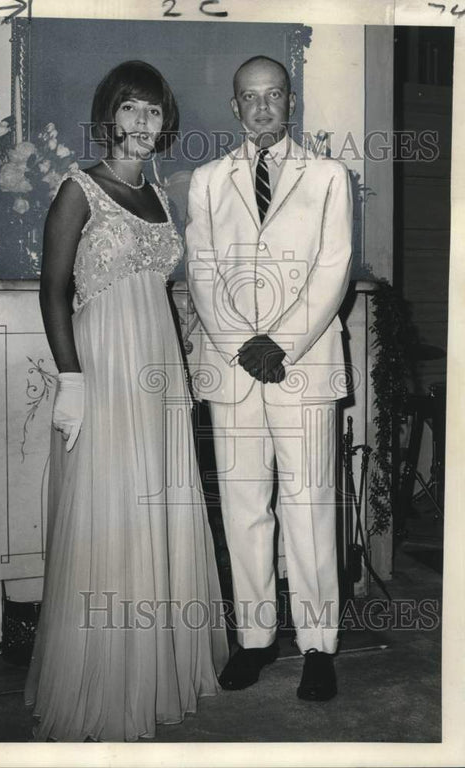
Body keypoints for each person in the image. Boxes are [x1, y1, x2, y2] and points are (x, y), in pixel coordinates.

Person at [24, 60, 228, 742]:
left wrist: (193, 359)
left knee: (162, 510)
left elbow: (168, 293)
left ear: (164, 123)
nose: (144, 123)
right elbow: (52, 290)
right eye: (132, 109)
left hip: (158, 373)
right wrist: (72, 381)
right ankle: (104, 682)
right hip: (104, 369)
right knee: (110, 512)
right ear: (109, 116)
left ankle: (156, 663)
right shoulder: (78, 190)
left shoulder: (164, 197)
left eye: (154, 111)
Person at [185, 55, 353, 701]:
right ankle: (255, 640)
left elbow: (332, 268)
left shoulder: (329, 176)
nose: (261, 108)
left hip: (302, 367)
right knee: (244, 504)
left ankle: (318, 646)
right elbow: (202, 271)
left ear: (291, 100)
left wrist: (278, 344)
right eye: (249, 98)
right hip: (233, 371)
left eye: (273, 95)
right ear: (234, 107)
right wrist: (240, 345)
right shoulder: (204, 181)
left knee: (309, 504)